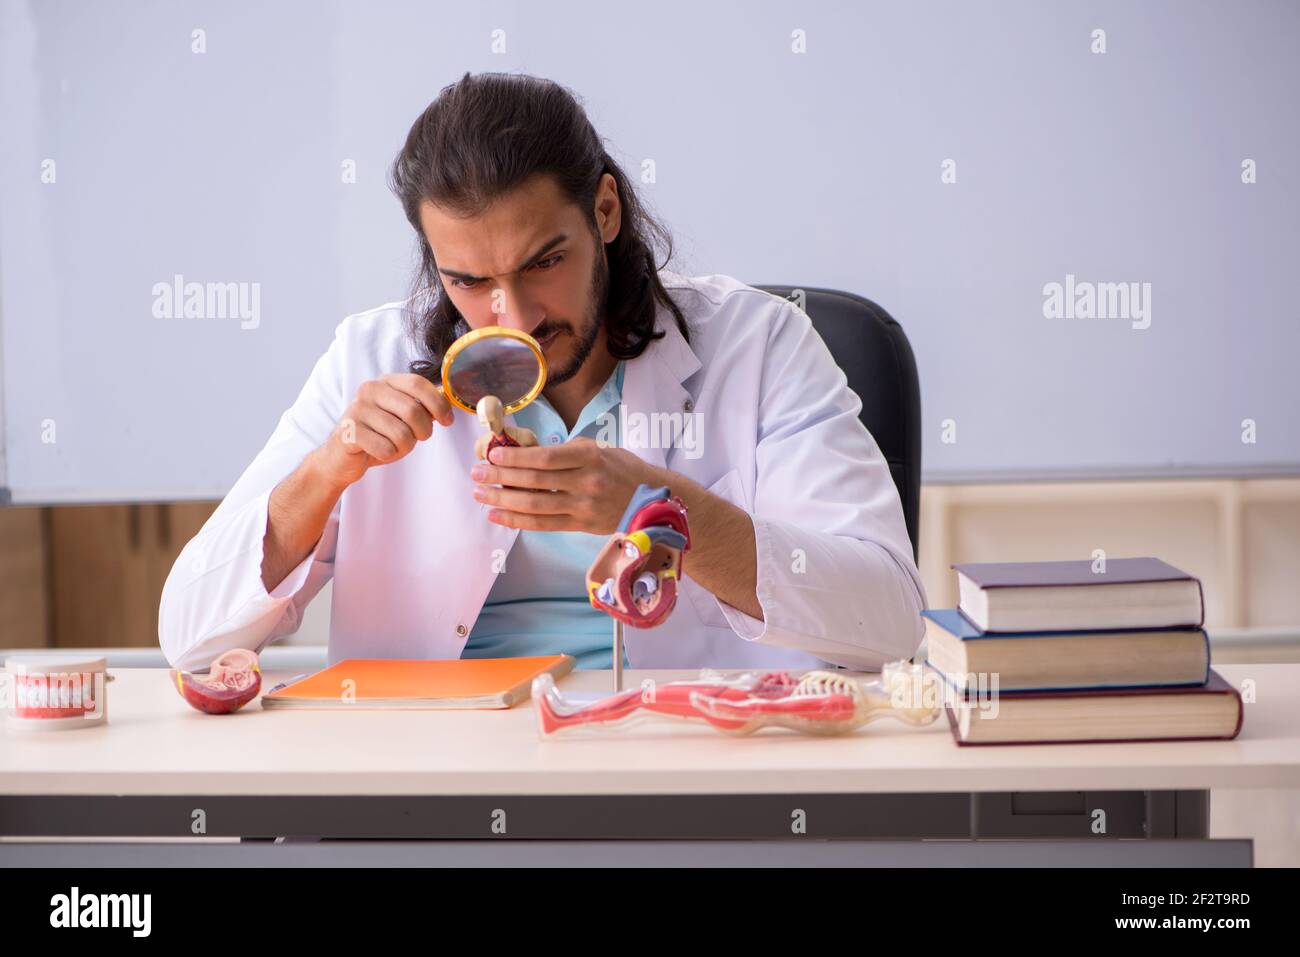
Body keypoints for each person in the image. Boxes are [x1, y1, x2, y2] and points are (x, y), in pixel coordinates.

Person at [158, 72, 926, 673]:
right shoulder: (368, 361)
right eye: (467, 280)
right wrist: (326, 473)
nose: (513, 315)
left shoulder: (760, 346)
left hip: (683, 778)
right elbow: (188, 637)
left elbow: (889, 618)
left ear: (605, 211)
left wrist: (666, 516)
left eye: (544, 262)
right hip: (434, 786)